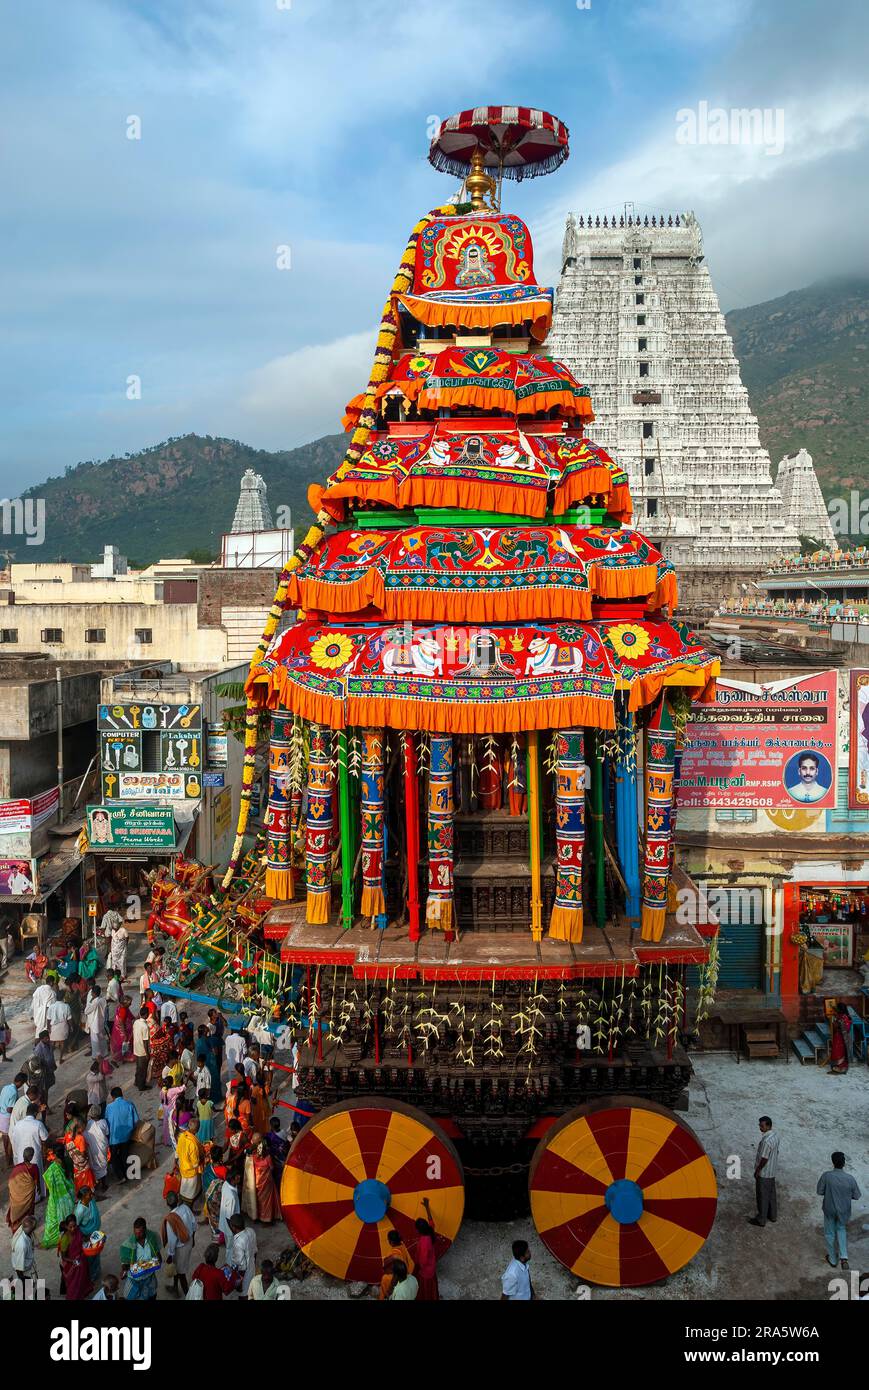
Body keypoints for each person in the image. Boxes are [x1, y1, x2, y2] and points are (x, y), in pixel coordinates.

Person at [817, 1152, 861, 1270]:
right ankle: (844, 1257)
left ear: (833, 1162)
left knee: (830, 1233)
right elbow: (856, 1196)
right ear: (844, 1163)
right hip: (844, 1211)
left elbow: (820, 1191)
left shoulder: (826, 1176)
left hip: (829, 1209)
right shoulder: (850, 1179)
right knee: (841, 1230)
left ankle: (832, 1259)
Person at [162, 1189, 197, 1297]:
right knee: (177, 1268)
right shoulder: (186, 1208)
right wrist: (193, 1239)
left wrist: (170, 1255)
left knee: (181, 1273)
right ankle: (175, 1288)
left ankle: (188, 1295)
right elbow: (194, 1224)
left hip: (180, 1248)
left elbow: (172, 1241)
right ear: (177, 1200)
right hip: (189, 1241)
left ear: (167, 1203)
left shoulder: (170, 1220)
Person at [748, 1116, 779, 1228]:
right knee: (771, 1194)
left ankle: (761, 1219)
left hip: (764, 1173)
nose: (760, 1127)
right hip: (772, 1171)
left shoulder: (766, 1141)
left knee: (762, 1196)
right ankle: (773, 1215)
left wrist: (758, 1170)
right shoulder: (775, 1136)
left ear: (768, 1126)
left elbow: (764, 1158)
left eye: (762, 1125)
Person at [41, 1148, 76, 1248]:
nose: (49, 1157)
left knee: (52, 1219)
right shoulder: (67, 1161)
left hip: (56, 1198)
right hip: (68, 1195)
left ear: (54, 1155)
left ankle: (56, 1239)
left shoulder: (53, 1168)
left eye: (51, 1154)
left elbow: (48, 1186)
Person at [120, 1216, 162, 1300]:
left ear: (145, 1230)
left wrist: (142, 1266)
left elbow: (159, 1258)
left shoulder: (153, 1237)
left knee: (152, 1296)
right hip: (134, 1279)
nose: (137, 1236)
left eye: (140, 1233)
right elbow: (124, 1265)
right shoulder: (127, 1245)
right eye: (135, 1233)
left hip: (149, 1276)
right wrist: (124, 1270)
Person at [12, 1104, 48, 1196]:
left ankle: (26, 1197)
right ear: (36, 1113)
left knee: (24, 1178)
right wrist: (45, 1155)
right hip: (34, 1157)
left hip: (21, 1156)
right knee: (36, 1177)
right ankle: (38, 1196)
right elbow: (45, 1139)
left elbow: (14, 1141)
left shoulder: (18, 1124)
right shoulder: (38, 1124)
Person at [242, 1138, 281, 1224]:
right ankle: (267, 1219)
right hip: (267, 1183)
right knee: (267, 1203)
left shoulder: (254, 1157)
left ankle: (258, 1216)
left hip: (257, 1183)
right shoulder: (268, 1158)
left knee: (258, 1201)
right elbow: (272, 1168)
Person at [105, 1086, 139, 1183]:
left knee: (114, 1157)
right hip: (127, 1136)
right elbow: (136, 1121)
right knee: (125, 1154)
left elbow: (107, 1123)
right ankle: (128, 1174)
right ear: (122, 1094)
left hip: (114, 1138)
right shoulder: (130, 1104)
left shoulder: (109, 1107)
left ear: (112, 1097)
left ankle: (121, 1177)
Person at [58, 1213, 93, 1300]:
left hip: (82, 1261)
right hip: (72, 1265)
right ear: (66, 1226)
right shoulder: (65, 1239)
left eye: (74, 1226)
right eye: (70, 1227)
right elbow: (64, 1257)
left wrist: (93, 1238)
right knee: (74, 1286)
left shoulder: (78, 1231)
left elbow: (83, 1239)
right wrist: (73, 1261)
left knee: (82, 1281)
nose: (73, 1229)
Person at [6, 1146, 39, 1233]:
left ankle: (16, 1225)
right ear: (31, 1156)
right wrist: (35, 1188)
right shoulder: (34, 1167)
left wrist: (14, 1191)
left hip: (17, 1195)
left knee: (17, 1209)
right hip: (29, 1195)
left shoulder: (17, 1167)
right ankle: (28, 1224)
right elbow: (36, 1182)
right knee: (29, 1209)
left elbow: (11, 1181)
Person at [74, 1185, 103, 1283]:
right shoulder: (80, 1211)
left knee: (96, 1254)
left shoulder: (90, 1202)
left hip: (93, 1233)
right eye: (89, 1194)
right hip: (86, 1235)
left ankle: (96, 1272)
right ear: (83, 1197)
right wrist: (83, 1238)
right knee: (90, 1257)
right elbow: (76, 1226)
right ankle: (91, 1276)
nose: (91, 1195)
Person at [414, 1198, 439, 1300]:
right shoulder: (430, 1232)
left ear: (419, 1230)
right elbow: (431, 1221)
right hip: (431, 1268)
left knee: (426, 1291)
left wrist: (417, 1267)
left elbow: (423, 1261)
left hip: (425, 1271)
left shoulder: (424, 1242)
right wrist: (427, 1207)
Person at [227, 1212, 258, 1295]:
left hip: (244, 1274)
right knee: (251, 1289)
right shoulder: (251, 1231)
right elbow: (255, 1251)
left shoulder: (238, 1242)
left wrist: (240, 1281)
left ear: (234, 1227)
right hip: (252, 1267)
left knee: (244, 1294)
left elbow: (241, 1265)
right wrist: (253, 1264)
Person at [177, 1118, 205, 1205]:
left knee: (184, 1187)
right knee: (191, 1191)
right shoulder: (193, 1144)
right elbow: (195, 1163)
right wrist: (203, 1158)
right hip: (191, 1170)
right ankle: (189, 1207)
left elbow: (177, 1151)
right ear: (197, 1129)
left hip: (182, 1166)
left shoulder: (182, 1136)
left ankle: (181, 1200)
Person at [379, 1229, 412, 1300]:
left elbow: (385, 1264)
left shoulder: (395, 1254)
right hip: (406, 1272)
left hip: (398, 1276)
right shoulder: (402, 1245)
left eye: (388, 1240)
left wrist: (390, 1289)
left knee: (385, 1280)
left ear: (391, 1242)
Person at [65, 1116, 96, 1193]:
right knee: (87, 1178)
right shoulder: (80, 1138)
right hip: (83, 1163)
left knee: (79, 1178)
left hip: (75, 1163)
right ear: (81, 1127)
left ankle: (80, 1193)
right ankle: (91, 1193)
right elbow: (82, 1153)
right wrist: (86, 1157)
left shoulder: (68, 1136)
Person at [0, 1072, 24, 1165]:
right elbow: (9, 1109)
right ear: (20, 1082)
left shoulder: (6, 1087)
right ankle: (8, 1159)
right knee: (8, 1140)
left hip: (1, 1115)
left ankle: (7, 1158)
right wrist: (18, 1107)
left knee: (5, 1139)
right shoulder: (14, 1092)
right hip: (6, 1117)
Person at [84, 1105, 110, 1192]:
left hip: (92, 1148)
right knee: (103, 1164)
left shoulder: (88, 1124)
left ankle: (97, 1182)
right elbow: (107, 1133)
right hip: (102, 1147)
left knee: (95, 1164)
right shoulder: (103, 1122)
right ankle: (104, 1184)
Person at [29, 1032, 57, 1107]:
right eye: (46, 1038)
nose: (48, 1039)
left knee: (46, 1090)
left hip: (49, 1071)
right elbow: (37, 1064)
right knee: (43, 1092)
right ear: (41, 1039)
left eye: (48, 1037)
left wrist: (54, 1064)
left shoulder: (49, 1044)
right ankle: (44, 1107)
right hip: (43, 1074)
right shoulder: (38, 1049)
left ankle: (45, 1106)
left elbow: (51, 1056)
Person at [11, 1215, 38, 1288]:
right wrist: (24, 1281)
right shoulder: (21, 1244)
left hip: (27, 1268)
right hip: (24, 1274)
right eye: (33, 1228)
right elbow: (18, 1268)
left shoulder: (24, 1229)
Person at [47, 991, 73, 1063]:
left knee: (52, 1043)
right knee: (62, 1043)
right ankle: (60, 1059)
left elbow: (48, 1019)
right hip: (63, 1027)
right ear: (63, 997)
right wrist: (71, 1027)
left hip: (53, 1027)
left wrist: (48, 1027)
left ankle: (51, 1058)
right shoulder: (66, 1006)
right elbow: (69, 1018)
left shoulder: (51, 1006)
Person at [218, 1169, 242, 1246]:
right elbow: (229, 1218)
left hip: (226, 1224)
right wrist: (234, 1232)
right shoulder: (231, 1197)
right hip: (230, 1227)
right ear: (232, 1179)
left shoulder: (226, 1184)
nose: (239, 1177)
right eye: (237, 1176)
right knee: (231, 1249)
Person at [84, 984, 108, 1059]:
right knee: (102, 1038)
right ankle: (104, 1052)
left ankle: (97, 1055)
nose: (91, 994)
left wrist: (90, 1001)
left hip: (94, 1023)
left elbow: (86, 1011)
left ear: (94, 993)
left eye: (91, 993)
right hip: (101, 1022)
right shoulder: (103, 1000)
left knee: (95, 1040)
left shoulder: (94, 1002)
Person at [110, 995, 134, 1063]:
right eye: (129, 1003)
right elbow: (121, 1022)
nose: (131, 1004)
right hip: (121, 1030)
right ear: (125, 1003)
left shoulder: (121, 1007)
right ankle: (124, 1057)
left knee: (121, 1043)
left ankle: (122, 1056)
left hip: (117, 1029)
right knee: (124, 1042)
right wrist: (124, 1034)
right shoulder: (123, 1010)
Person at [829, 1002, 852, 1075]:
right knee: (836, 1051)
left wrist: (837, 1024)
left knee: (840, 1052)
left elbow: (846, 1027)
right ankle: (835, 1066)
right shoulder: (840, 1016)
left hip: (842, 1038)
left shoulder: (844, 1017)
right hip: (838, 1036)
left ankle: (841, 1067)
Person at [132, 1008, 151, 1091]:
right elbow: (145, 1041)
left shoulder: (136, 1022)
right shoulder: (145, 1026)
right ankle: (141, 1086)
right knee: (143, 1070)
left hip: (136, 1048)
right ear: (146, 1014)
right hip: (142, 1051)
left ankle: (137, 1081)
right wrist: (147, 1054)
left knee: (138, 1067)